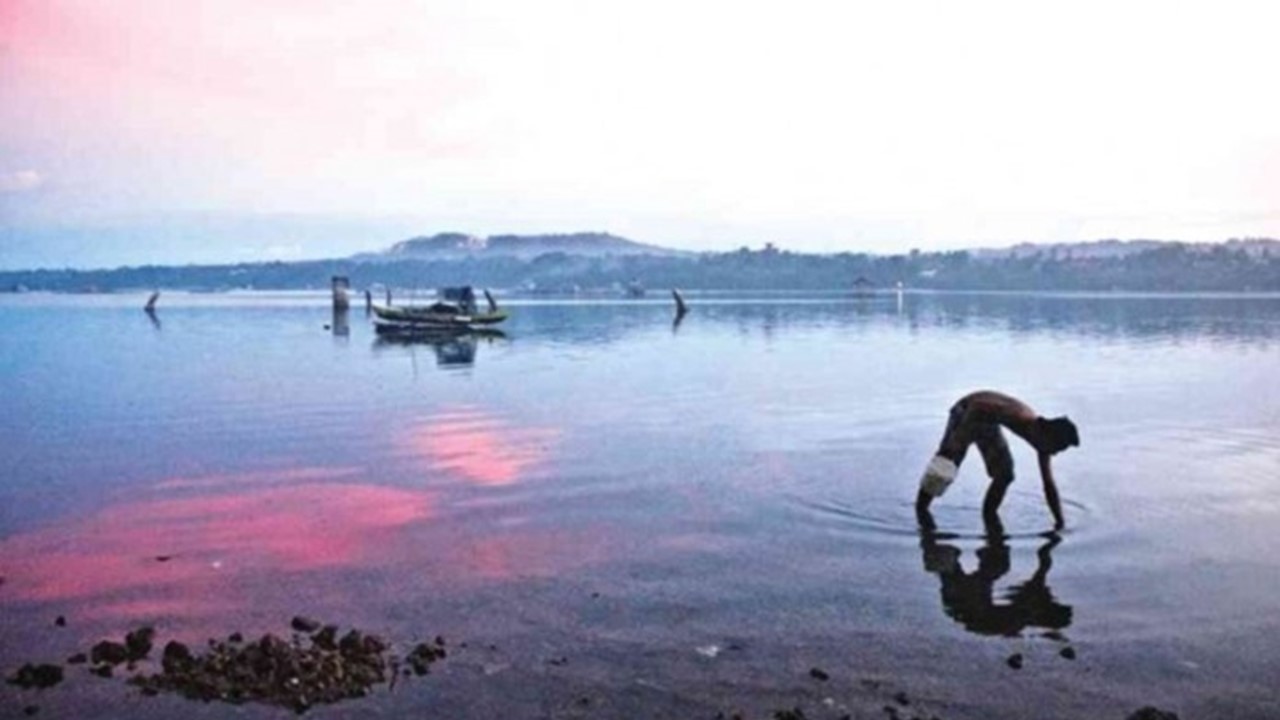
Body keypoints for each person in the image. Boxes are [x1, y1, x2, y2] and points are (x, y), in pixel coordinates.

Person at [916, 390, 1079, 529]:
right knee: (947, 462)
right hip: (967, 410)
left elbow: (1048, 485)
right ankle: (921, 509)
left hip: (987, 421)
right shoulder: (1020, 416)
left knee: (1005, 474)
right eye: (1057, 448)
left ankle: (989, 515)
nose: (1055, 454)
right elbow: (978, 405)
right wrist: (961, 437)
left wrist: (1060, 522)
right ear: (1047, 433)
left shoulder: (1044, 445)